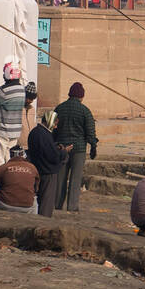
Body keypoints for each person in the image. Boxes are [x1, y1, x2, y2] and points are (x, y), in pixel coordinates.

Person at [53, 82, 97, 212]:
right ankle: (72, 207)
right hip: (79, 150)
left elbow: (53, 130)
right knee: (75, 179)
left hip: (62, 149)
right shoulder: (85, 111)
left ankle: (57, 205)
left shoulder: (59, 109)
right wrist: (94, 147)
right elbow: (90, 133)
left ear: (69, 94)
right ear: (81, 96)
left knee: (60, 179)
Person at [0, 62, 27, 174]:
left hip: (2, 131)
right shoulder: (22, 90)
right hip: (15, 131)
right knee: (10, 159)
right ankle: (9, 182)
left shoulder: (3, 91)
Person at [0, 145, 40, 214]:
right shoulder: (33, 168)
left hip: (6, 204)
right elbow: (36, 188)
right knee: (35, 201)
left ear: (10, 155)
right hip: (27, 206)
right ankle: (34, 220)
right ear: (23, 155)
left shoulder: (2, 168)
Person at [27, 110, 63, 218]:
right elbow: (52, 156)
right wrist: (63, 152)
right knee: (46, 201)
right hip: (48, 172)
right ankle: (43, 223)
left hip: (37, 169)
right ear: (49, 121)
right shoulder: (45, 135)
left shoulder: (35, 132)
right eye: (55, 123)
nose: (55, 127)